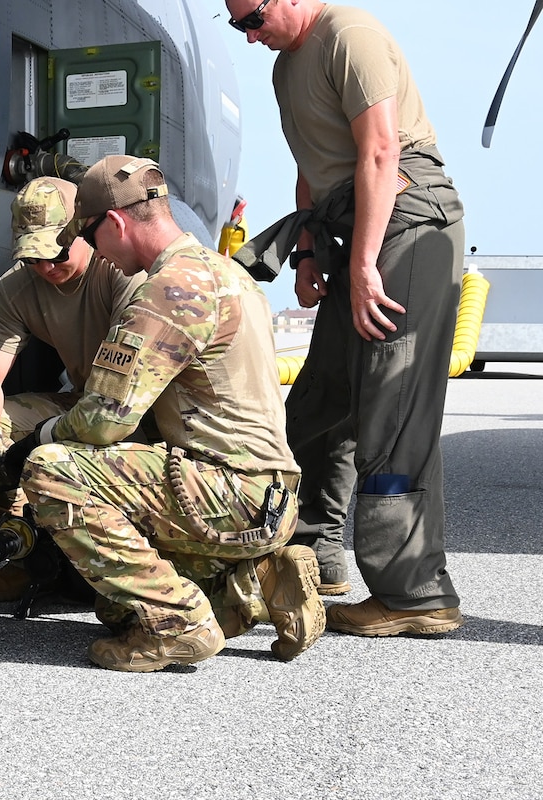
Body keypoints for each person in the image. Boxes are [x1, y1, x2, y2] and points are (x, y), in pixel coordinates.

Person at [1, 155, 323, 672]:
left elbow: (103, 422)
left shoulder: (166, 291)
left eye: (86, 234)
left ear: (116, 222)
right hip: (266, 493)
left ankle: (180, 624)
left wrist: (36, 435)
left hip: (226, 489)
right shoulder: (225, 274)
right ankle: (252, 582)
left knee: (52, 469)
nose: (88, 251)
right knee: (113, 606)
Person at [226, 0, 465, 636]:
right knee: (321, 398)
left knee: (392, 406)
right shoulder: (285, 65)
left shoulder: (349, 35)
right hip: (346, 223)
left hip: (404, 223)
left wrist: (363, 269)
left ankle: (414, 594)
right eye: (237, 27)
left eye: (254, 19)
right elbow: (312, 165)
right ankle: (312, 558)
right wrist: (307, 251)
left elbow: (381, 154)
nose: (251, 38)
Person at [0, 176, 148, 601]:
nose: (45, 267)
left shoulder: (123, 274)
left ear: (83, 232)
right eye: (33, 256)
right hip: (85, 404)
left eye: (56, 251)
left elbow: (124, 399)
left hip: (140, 414)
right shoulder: (16, 288)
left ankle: (133, 565)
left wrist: (45, 451)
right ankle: (31, 562)